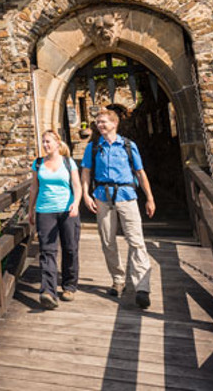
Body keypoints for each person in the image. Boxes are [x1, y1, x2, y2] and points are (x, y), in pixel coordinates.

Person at [82, 108, 157, 309]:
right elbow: (86, 172)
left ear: (114, 124)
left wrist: (149, 198)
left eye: (104, 121)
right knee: (108, 241)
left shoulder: (128, 146)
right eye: (98, 122)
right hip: (102, 197)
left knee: (136, 241)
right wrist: (85, 194)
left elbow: (140, 173)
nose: (100, 125)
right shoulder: (93, 147)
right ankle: (118, 279)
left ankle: (142, 287)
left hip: (127, 196)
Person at [28, 129, 82, 310]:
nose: (45, 145)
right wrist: (30, 210)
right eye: (43, 142)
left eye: (48, 141)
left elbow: (77, 185)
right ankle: (48, 292)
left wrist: (76, 202)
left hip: (67, 211)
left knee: (70, 248)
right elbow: (34, 188)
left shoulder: (68, 162)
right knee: (47, 251)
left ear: (57, 143)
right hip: (45, 211)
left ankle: (69, 286)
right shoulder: (38, 163)